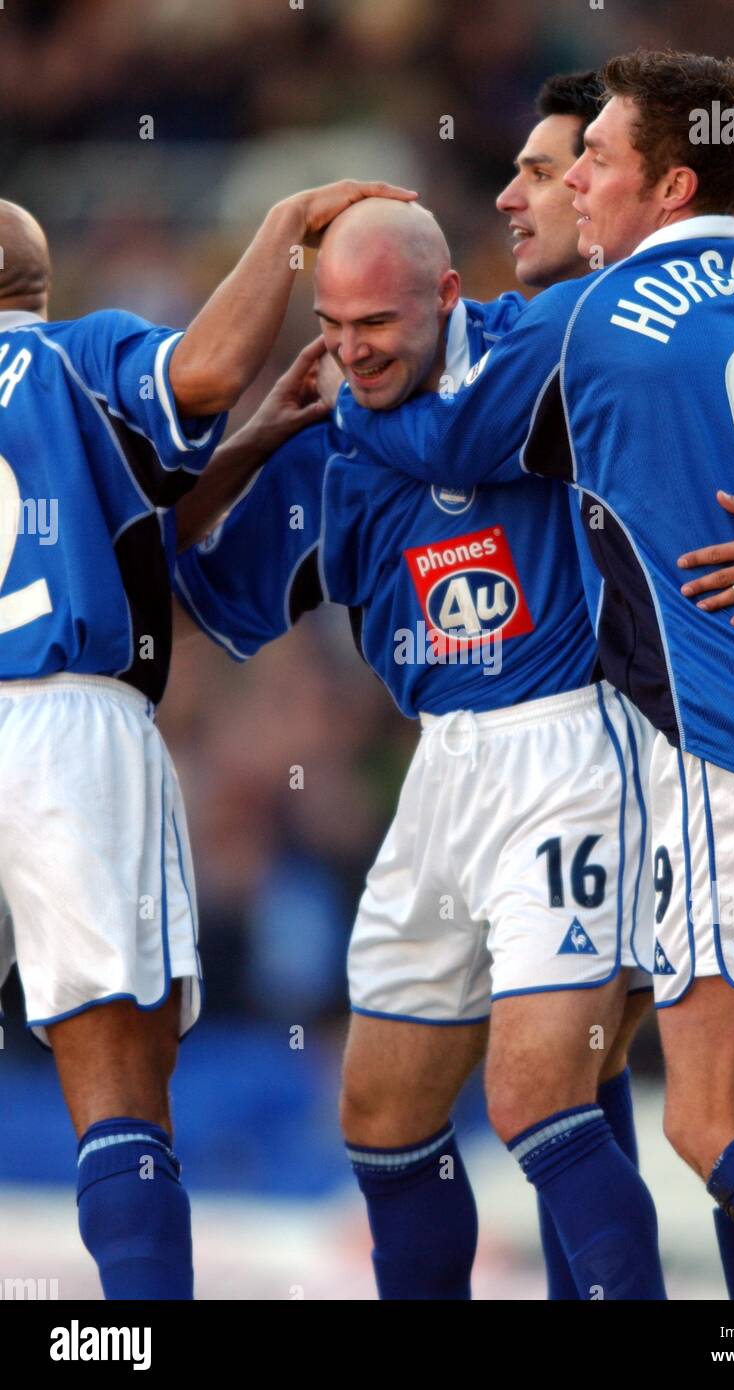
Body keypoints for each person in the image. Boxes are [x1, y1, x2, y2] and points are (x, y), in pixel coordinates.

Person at [330, 51, 734, 1300]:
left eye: (592, 158)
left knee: (714, 1119)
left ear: (667, 181)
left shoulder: (588, 323)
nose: (570, 179)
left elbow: (447, 429)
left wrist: (349, 389)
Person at [175, 196, 666, 1301]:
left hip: (571, 748)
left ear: (449, 295)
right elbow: (202, 591)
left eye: (379, 325)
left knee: (541, 1094)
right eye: (333, 322)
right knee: (383, 1113)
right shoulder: (327, 437)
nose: (352, 349)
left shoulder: (538, 356)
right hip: (442, 764)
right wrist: (260, 432)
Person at [0, 179, 415, 1300]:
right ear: (32, 283)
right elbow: (207, 372)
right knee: (117, 1080)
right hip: (61, 721)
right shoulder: (70, 357)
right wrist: (283, 230)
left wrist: (243, 450)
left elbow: (132, 521)